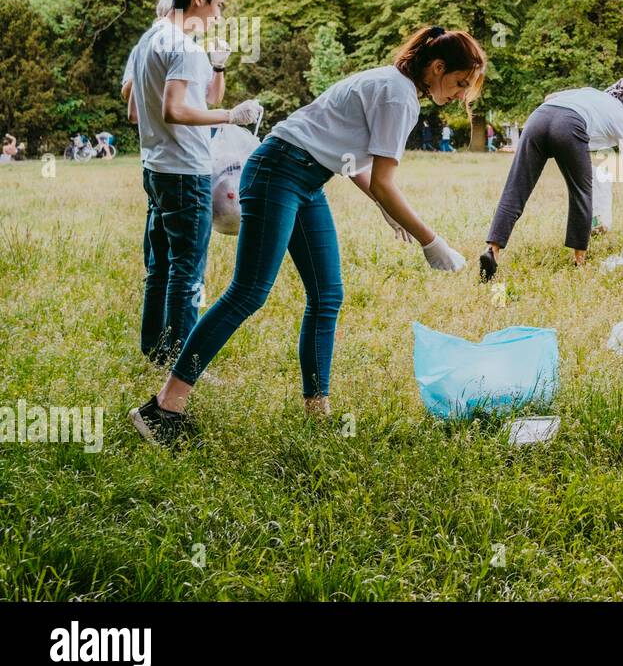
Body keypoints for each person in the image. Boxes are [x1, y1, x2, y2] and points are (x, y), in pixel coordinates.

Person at [129, 25, 485, 446]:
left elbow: (349, 157)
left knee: (326, 295)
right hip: (278, 171)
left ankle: (318, 416)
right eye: (460, 83)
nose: (461, 95)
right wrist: (432, 241)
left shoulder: (390, 84)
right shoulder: (398, 95)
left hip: (304, 179)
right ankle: (162, 409)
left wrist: (382, 205)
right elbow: (385, 182)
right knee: (248, 292)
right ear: (437, 67)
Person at [130, 0, 261, 365]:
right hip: (186, 172)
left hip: (155, 168)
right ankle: (182, 364)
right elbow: (174, 109)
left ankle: (155, 350)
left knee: (161, 266)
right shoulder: (183, 47)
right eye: (218, 5)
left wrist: (217, 68)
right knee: (187, 272)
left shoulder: (151, 39)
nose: (219, 16)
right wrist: (229, 116)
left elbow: (139, 108)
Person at [479, 78, 623, 281]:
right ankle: (580, 262)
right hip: (569, 125)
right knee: (582, 192)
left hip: (538, 118)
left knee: (516, 187)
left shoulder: (591, 94)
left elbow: (549, 97)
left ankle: (493, 250)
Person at [123, 0, 175, 124]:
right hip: (151, 123)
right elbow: (125, 93)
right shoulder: (140, 49)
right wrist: (142, 70)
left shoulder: (181, 47)